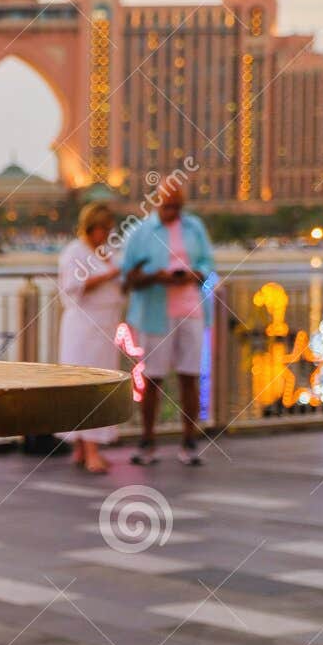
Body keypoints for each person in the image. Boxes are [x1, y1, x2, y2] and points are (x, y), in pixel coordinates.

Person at [121, 179, 213, 466]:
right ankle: (148, 440)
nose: (172, 211)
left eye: (177, 206)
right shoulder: (142, 232)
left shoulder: (194, 228)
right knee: (153, 378)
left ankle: (189, 440)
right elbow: (129, 276)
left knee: (190, 376)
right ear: (157, 203)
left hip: (191, 311)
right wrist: (155, 276)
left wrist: (194, 274)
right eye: (167, 205)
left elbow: (208, 264)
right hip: (155, 312)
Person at [57, 202, 124, 473]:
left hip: (106, 325)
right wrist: (109, 274)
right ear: (92, 227)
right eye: (103, 229)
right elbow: (73, 286)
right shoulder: (74, 252)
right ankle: (88, 448)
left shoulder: (108, 252)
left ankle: (85, 448)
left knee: (103, 384)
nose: (107, 234)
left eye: (109, 229)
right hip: (84, 326)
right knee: (86, 386)